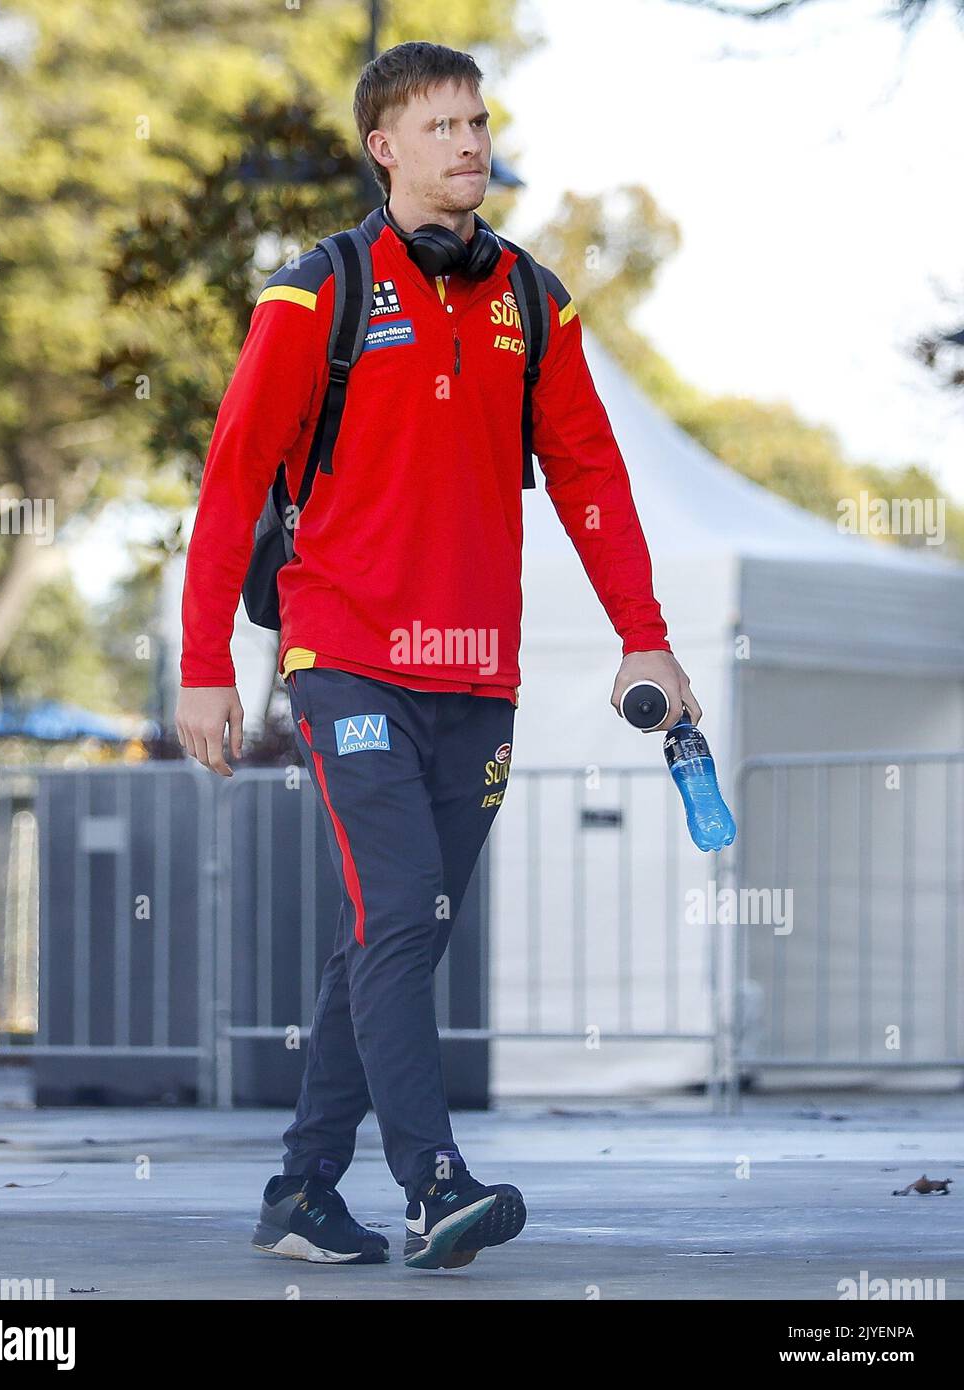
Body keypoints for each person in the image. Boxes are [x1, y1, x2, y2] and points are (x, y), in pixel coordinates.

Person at [176, 39, 700, 1271]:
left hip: (478, 674)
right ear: (385, 145)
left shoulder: (533, 298)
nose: (469, 142)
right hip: (345, 655)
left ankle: (302, 1191)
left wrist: (646, 636)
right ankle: (432, 1183)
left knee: (394, 930)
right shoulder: (315, 294)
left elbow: (589, 476)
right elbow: (234, 474)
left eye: (477, 119)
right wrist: (205, 663)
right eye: (441, 124)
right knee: (399, 912)